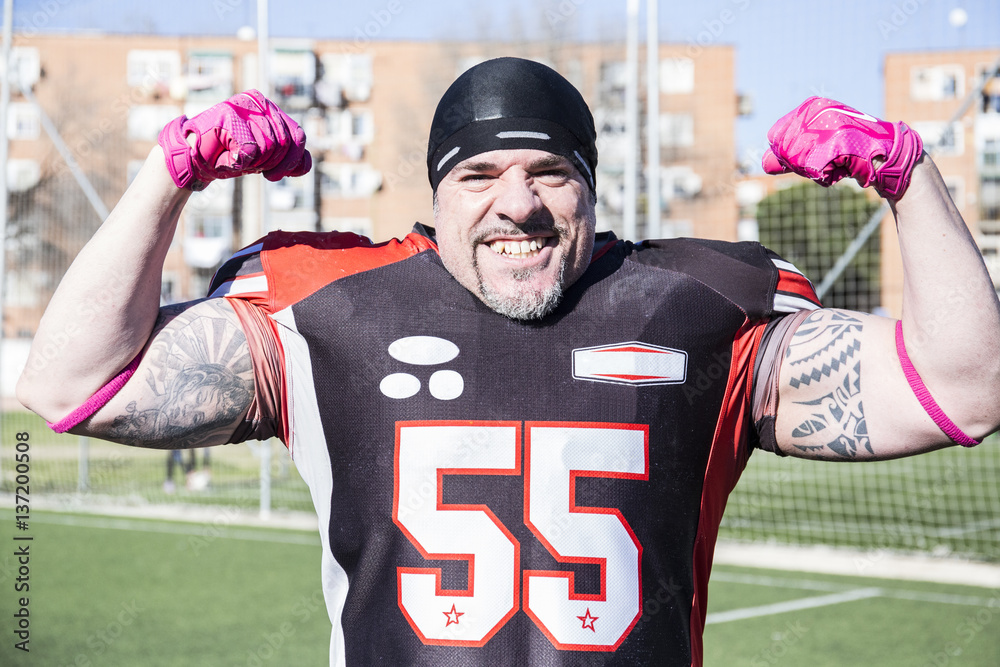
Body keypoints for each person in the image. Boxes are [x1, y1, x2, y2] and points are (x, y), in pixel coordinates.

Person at [17, 58, 1000, 666]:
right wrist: (169, 175)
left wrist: (909, 181)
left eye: (549, 174)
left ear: (591, 189)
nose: (516, 203)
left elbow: (966, 388)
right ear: (437, 192)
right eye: (479, 174)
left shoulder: (702, 309)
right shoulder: (324, 307)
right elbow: (71, 385)